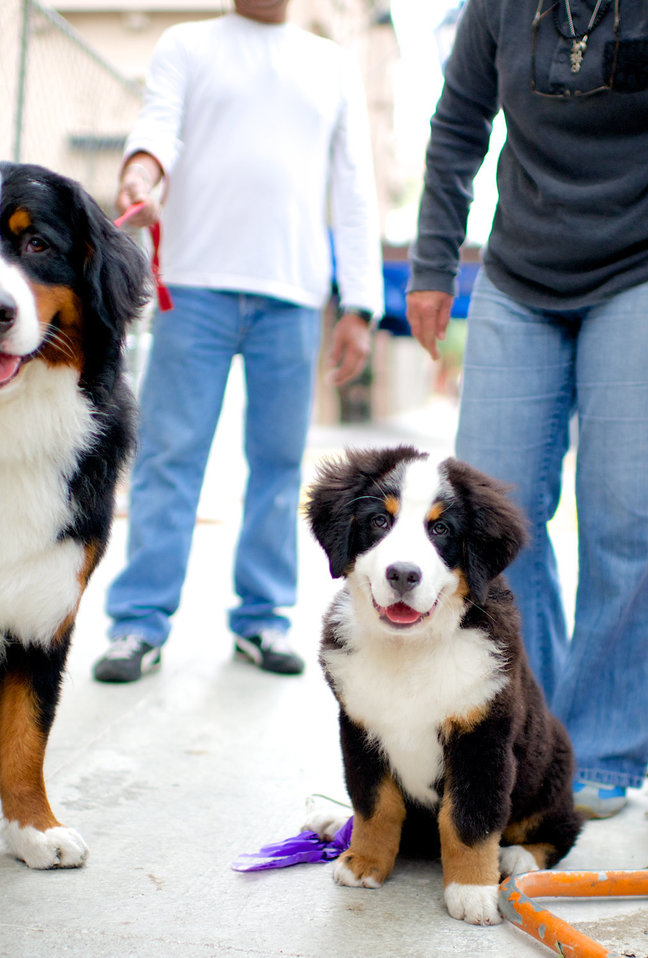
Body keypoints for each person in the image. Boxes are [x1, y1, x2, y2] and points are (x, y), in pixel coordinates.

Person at [93, 0, 383, 683]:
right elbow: (156, 127)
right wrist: (141, 171)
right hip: (193, 287)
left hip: (293, 295)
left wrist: (361, 304)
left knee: (280, 466)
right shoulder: (186, 45)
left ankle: (263, 620)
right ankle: (138, 624)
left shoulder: (332, 65)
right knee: (169, 458)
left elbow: (353, 189)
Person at [407, 0, 648, 818]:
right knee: (495, 519)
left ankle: (607, 745)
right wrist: (433, 265)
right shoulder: (501, 8)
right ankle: (528, 736)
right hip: (519, 274)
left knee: (625, 517)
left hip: (639, 268)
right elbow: (457, 126)